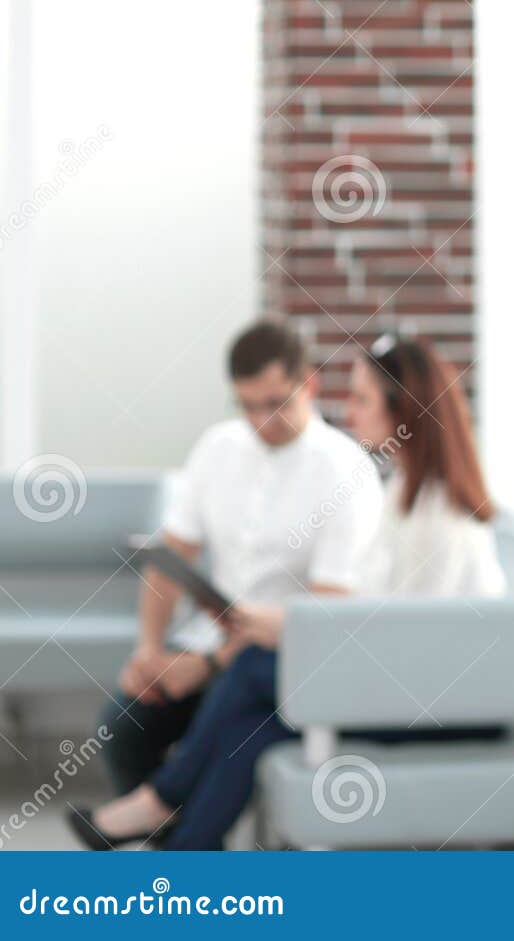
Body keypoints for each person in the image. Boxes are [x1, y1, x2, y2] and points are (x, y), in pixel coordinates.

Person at [69, 333, 506, 850]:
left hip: (435, 703)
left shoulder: (438, 517)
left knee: (253, 666)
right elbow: (375, 626)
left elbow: (404, 645)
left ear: (402, 412)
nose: (350, 410)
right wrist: (161, 648)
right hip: (391, 684)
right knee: (243, 732)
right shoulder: (402, 500)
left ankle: (158, 807)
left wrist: (272, 629)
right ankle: (182, 855)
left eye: (362, 398)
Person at [96, 319, 384, 798]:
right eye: (248, 406)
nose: (260, 422)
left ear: (308, 384)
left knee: (212, 732)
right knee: (124, 730)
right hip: (210, 644)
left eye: (275, 404)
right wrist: (149, 652)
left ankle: (187, 849)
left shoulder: (346, 470)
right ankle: (181, 859)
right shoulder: (217, 448)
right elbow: (168, 560)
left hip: (283, 663)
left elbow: (326, 613)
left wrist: (207, 666)